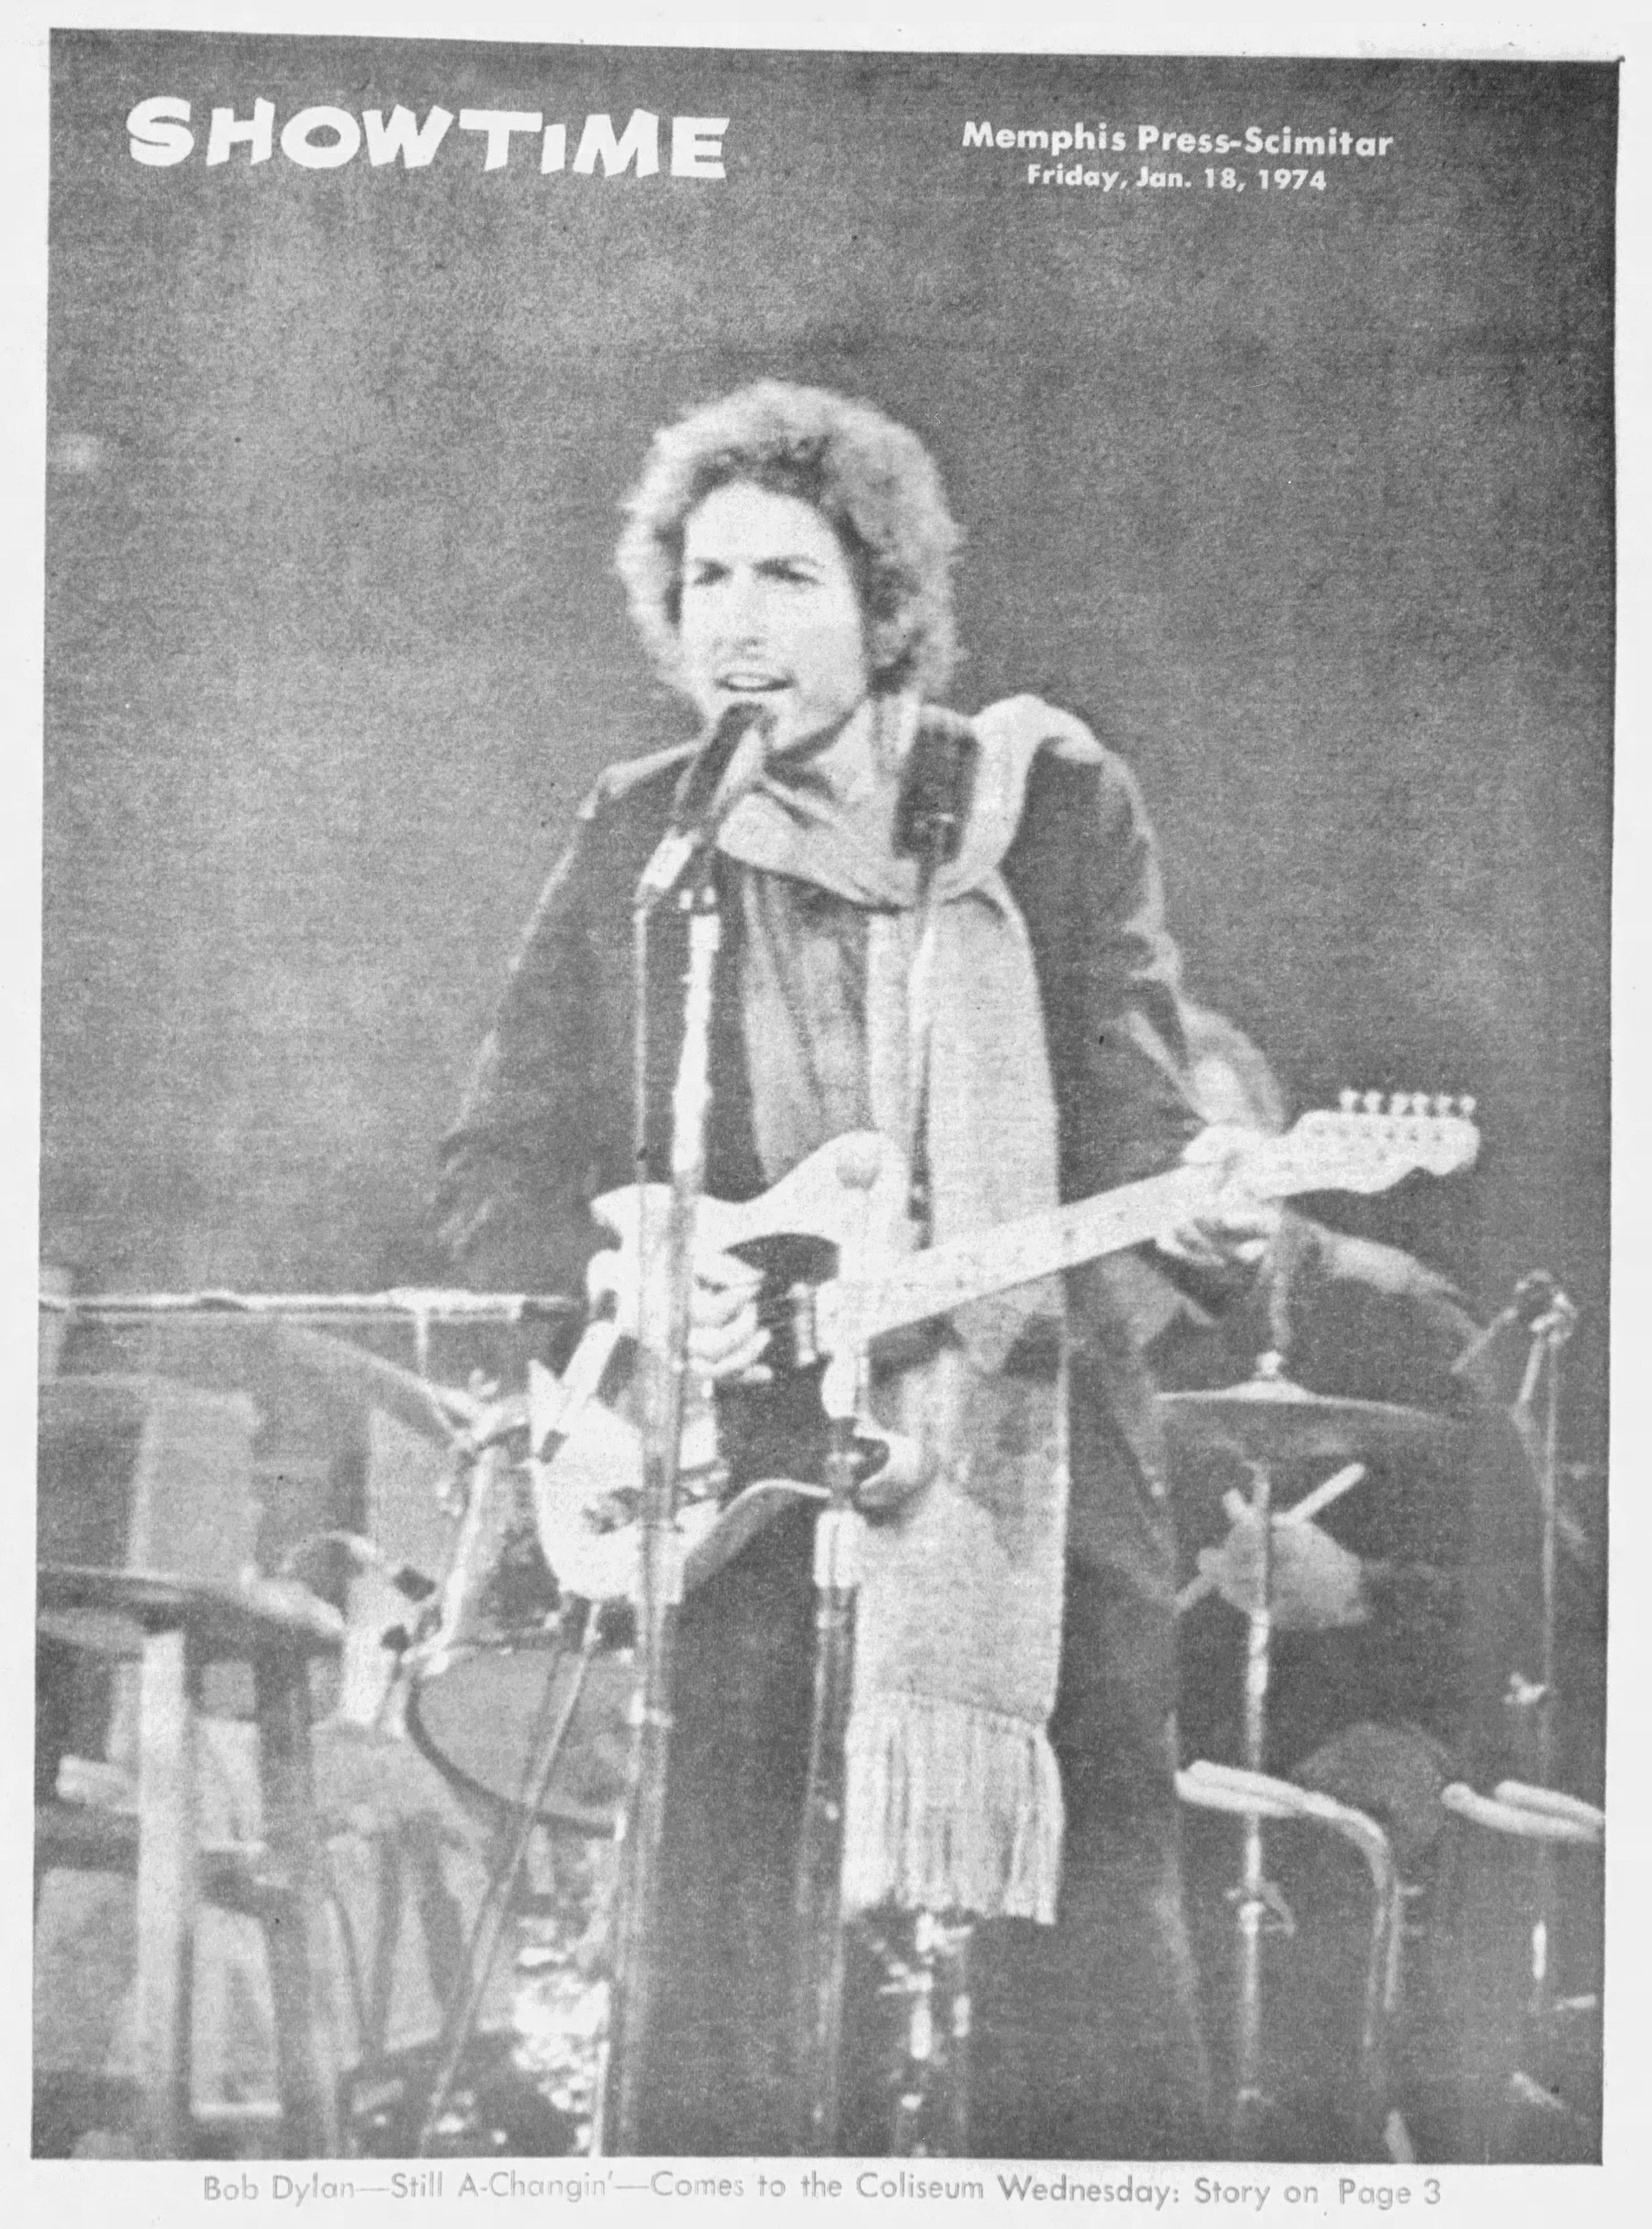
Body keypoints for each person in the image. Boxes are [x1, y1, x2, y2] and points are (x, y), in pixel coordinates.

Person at [435, 380, 1261, 2156]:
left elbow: (1134, 1111)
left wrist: (1203, 1204)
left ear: (886, 605)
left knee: (1085, 1974)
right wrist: (632, 1266)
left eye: (788, 576)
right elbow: (499, 1167)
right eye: (706, 579)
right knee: (721, 1977)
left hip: (1023, 1462)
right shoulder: (648, 835)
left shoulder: (1042, 799)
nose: (736, 620)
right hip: (740, 1478)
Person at [1140, 1004, 1553, 2158]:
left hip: (1372, 1727)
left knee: (1325, 1824)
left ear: (1285, 1152)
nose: (1201, 1192)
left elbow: (1547, 1596)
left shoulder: (1395, 1312)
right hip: (1165, 1733)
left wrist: (1360, 1588)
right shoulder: (1108, 1329)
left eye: (1228, 1152)